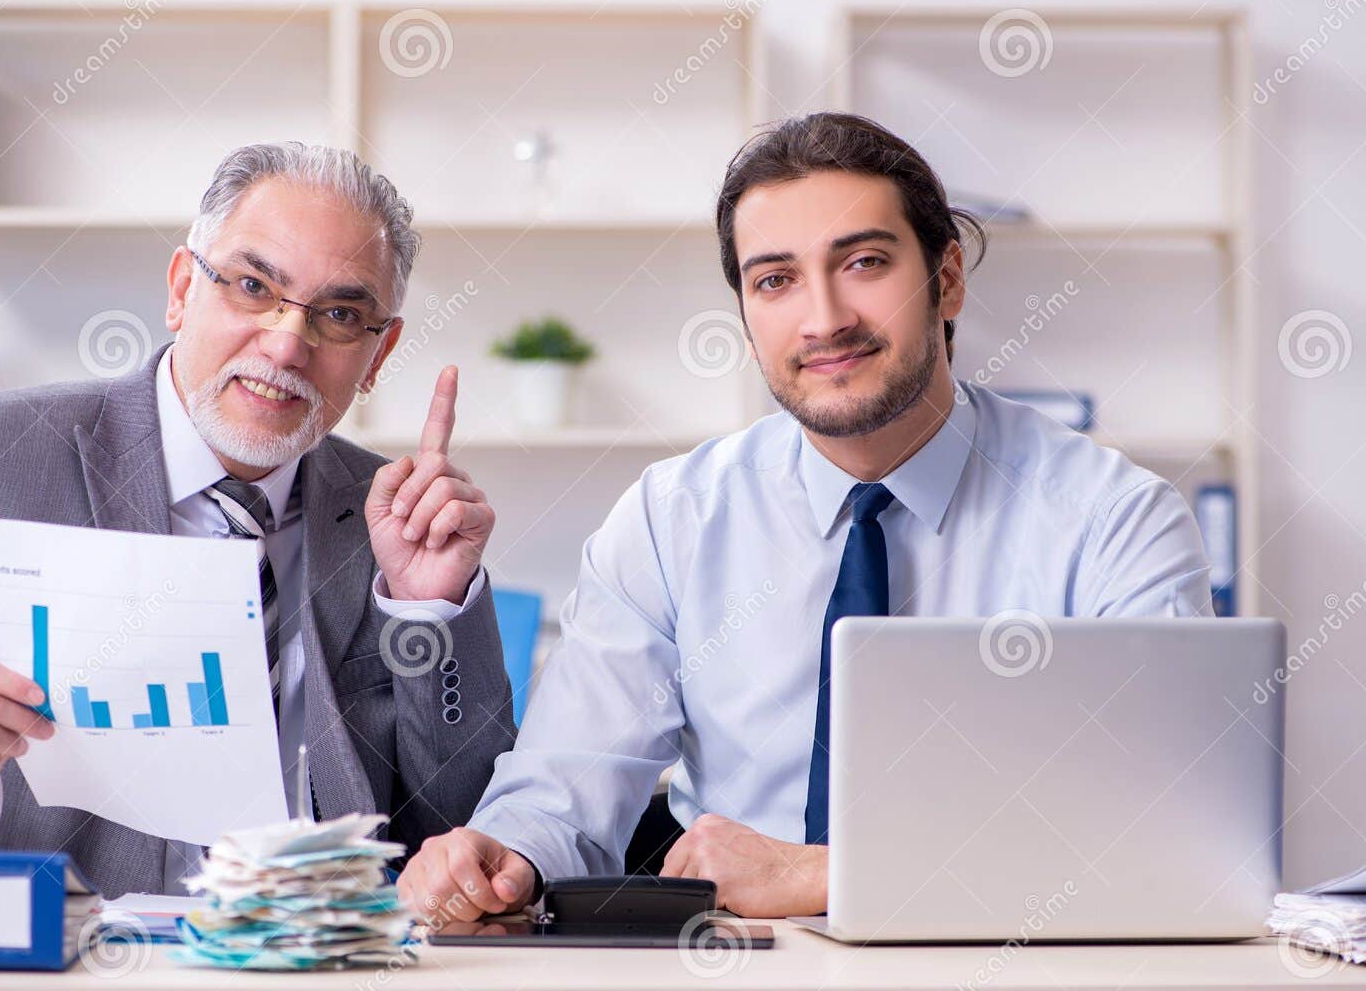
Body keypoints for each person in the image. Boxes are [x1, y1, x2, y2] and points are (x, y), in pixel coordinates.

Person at [399, 112, 1213, 921]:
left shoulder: (1115, 520)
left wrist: (827, 877)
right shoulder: (672, 518)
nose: (824, 320)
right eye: (775, 280)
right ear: (748, 317)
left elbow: (1172, 837)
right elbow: (566, 790)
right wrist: (503, 857)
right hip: (743, 990)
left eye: (863, 262)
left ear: (949, 279)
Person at [0, 143, 515, 898]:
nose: (289, 343)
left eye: (341, 314)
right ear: (183, 288)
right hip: (64, 979)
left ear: (378, 353)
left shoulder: (391, 516)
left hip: (327, 971)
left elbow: (467, 837)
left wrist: (430, 610)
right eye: (253, 286)